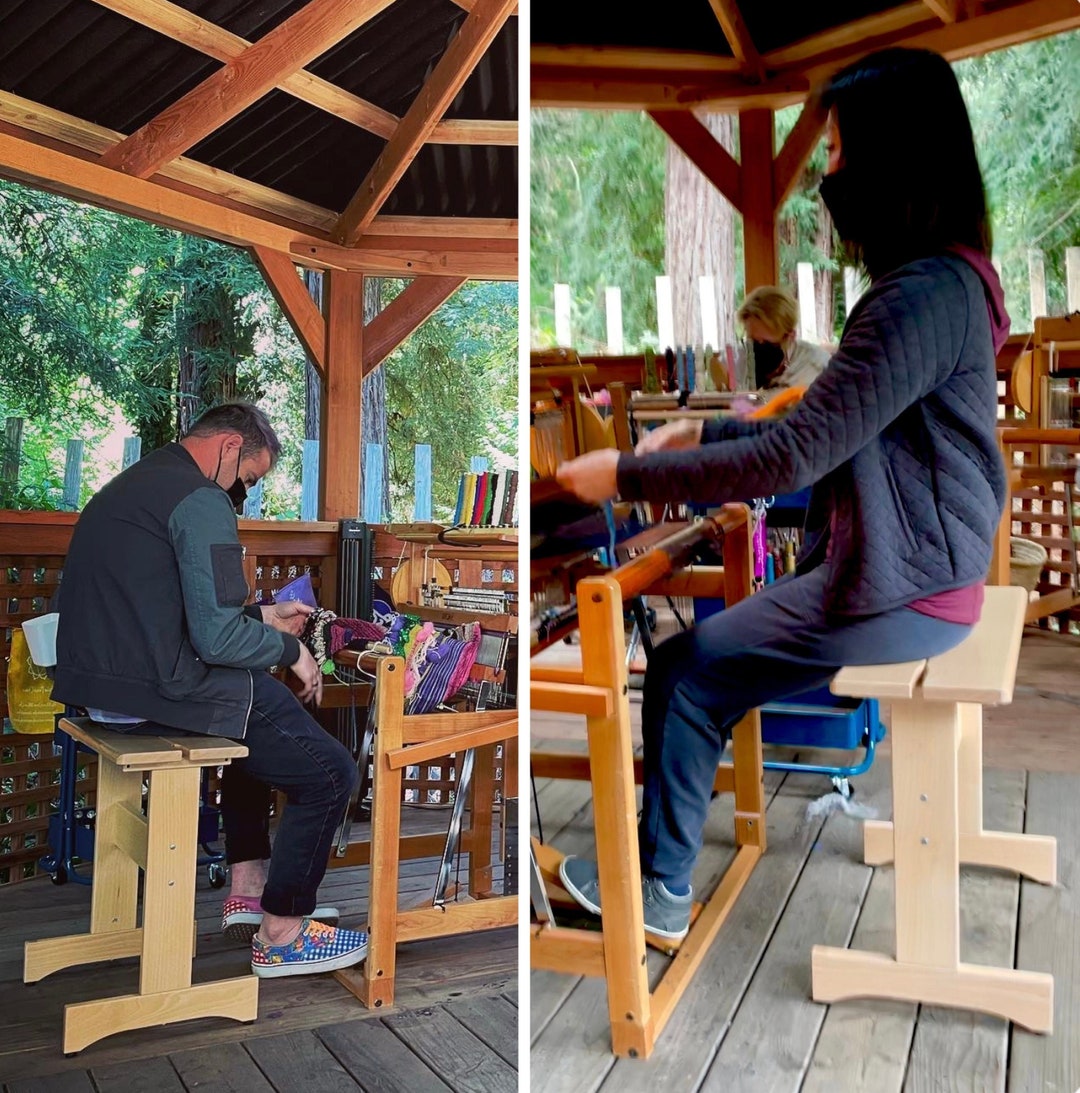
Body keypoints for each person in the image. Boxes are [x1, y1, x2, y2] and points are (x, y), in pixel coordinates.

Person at [553, 46, 1009, 940]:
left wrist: (629, 474)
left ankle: (657, 892)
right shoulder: (949, 282)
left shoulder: (918, 297)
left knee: (686, 671)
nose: (827, 178)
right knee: (700, 666)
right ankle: (663, 870)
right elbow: (829, 421)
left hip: (908, 587)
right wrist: (706, 434)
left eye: (836, 153)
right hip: (919, 570)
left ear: (892, 156)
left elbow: (795, 455)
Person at [52, 402, 368, 978]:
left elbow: (161, 609)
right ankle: (283, 933)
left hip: (102, 689)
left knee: (256, 733)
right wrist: (291, 650)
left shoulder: (133, 486)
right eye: (248, 479)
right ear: (228, 447)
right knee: (330, 773)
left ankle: (248, 892)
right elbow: (217, 641)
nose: (242, 494)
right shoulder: (200, 500)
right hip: (158, 690)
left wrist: (263, 616)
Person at [737, 284, 829, 390]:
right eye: (752, 341)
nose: (757, 350)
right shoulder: (742, 359)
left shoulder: (816, 366)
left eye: (766, 343)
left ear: (790, 336)